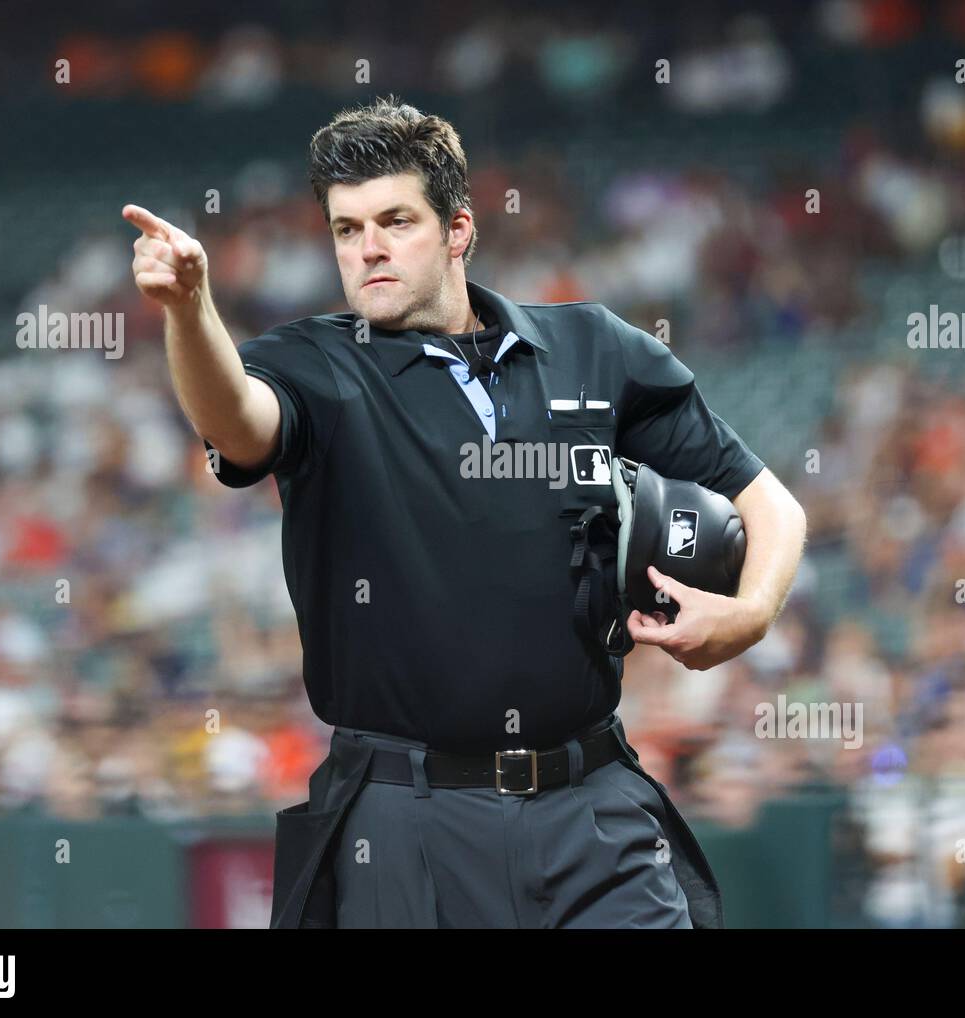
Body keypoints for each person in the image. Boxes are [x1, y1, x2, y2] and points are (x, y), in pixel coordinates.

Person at [123, 95, 807, 928]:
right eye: (346, 229)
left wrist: (753, 612)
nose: (367, 247)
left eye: (395, 220)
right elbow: (234, 418)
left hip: (591, 806)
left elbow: (767, 501)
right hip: (405, 821)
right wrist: (189, 310)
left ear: (457, 230)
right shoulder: (313, 365)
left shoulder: (595, 347)